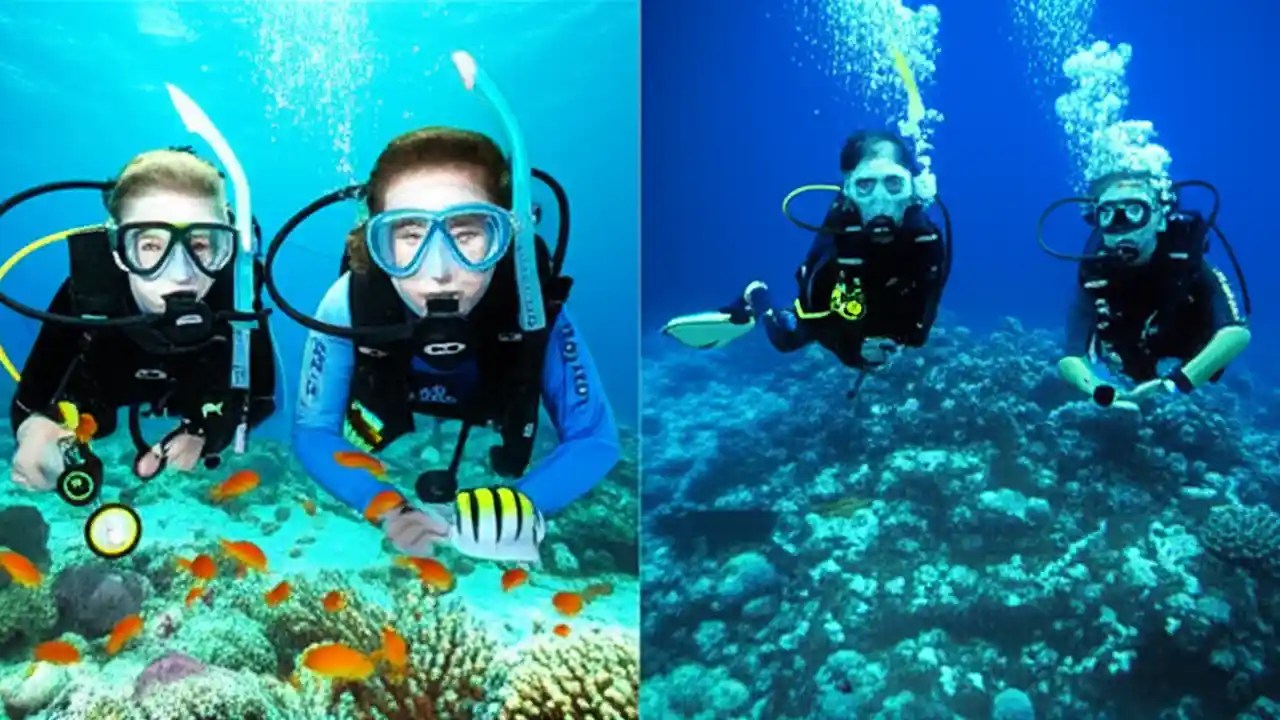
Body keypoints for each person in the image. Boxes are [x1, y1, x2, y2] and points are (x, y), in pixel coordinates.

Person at [266, 53, 619, 557]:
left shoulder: (532, 301)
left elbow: (595, 439)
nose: (438, 270)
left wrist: (515, 508)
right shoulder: (347, 301)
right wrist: (388, 505)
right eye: (408, 235)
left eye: (468, 232)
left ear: (509, 236)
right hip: (386, 417)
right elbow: (315, 431)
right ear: (374, 243)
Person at [1, 148, 278, 498]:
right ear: (117, 249)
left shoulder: (236, 295)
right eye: (149, 245)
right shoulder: (90, 294)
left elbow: (263, 398)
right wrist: (33, 431)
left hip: (197, 395)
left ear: (226, 245)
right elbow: (30, 402)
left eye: (201, 243)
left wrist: (206, 435)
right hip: (106, 388)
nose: (181, 274)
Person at [662, 129, 951, 388]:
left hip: (880, 307)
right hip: (833, 308)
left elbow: (923, 319)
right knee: (786, 341)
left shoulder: (926, 239)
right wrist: (854, 353)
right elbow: (819, 317)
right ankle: (755, 296)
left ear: (914, 187)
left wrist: (895, 342)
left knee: (911, 341)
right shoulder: (841, 238)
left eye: (893, 183)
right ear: (848, 189)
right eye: (865, 185)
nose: (880, 201)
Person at [1038, 171, 1252, 410]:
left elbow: (1236, 333)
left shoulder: (1187, 263)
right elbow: (1071, 356)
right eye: (1108, 214)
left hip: (1184, 353)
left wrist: (1173, 385)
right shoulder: (1094, 272)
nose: (1121, 225)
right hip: (1130, 359)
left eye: (1134, 210)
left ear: (1160, 219)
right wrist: (1099, 390)